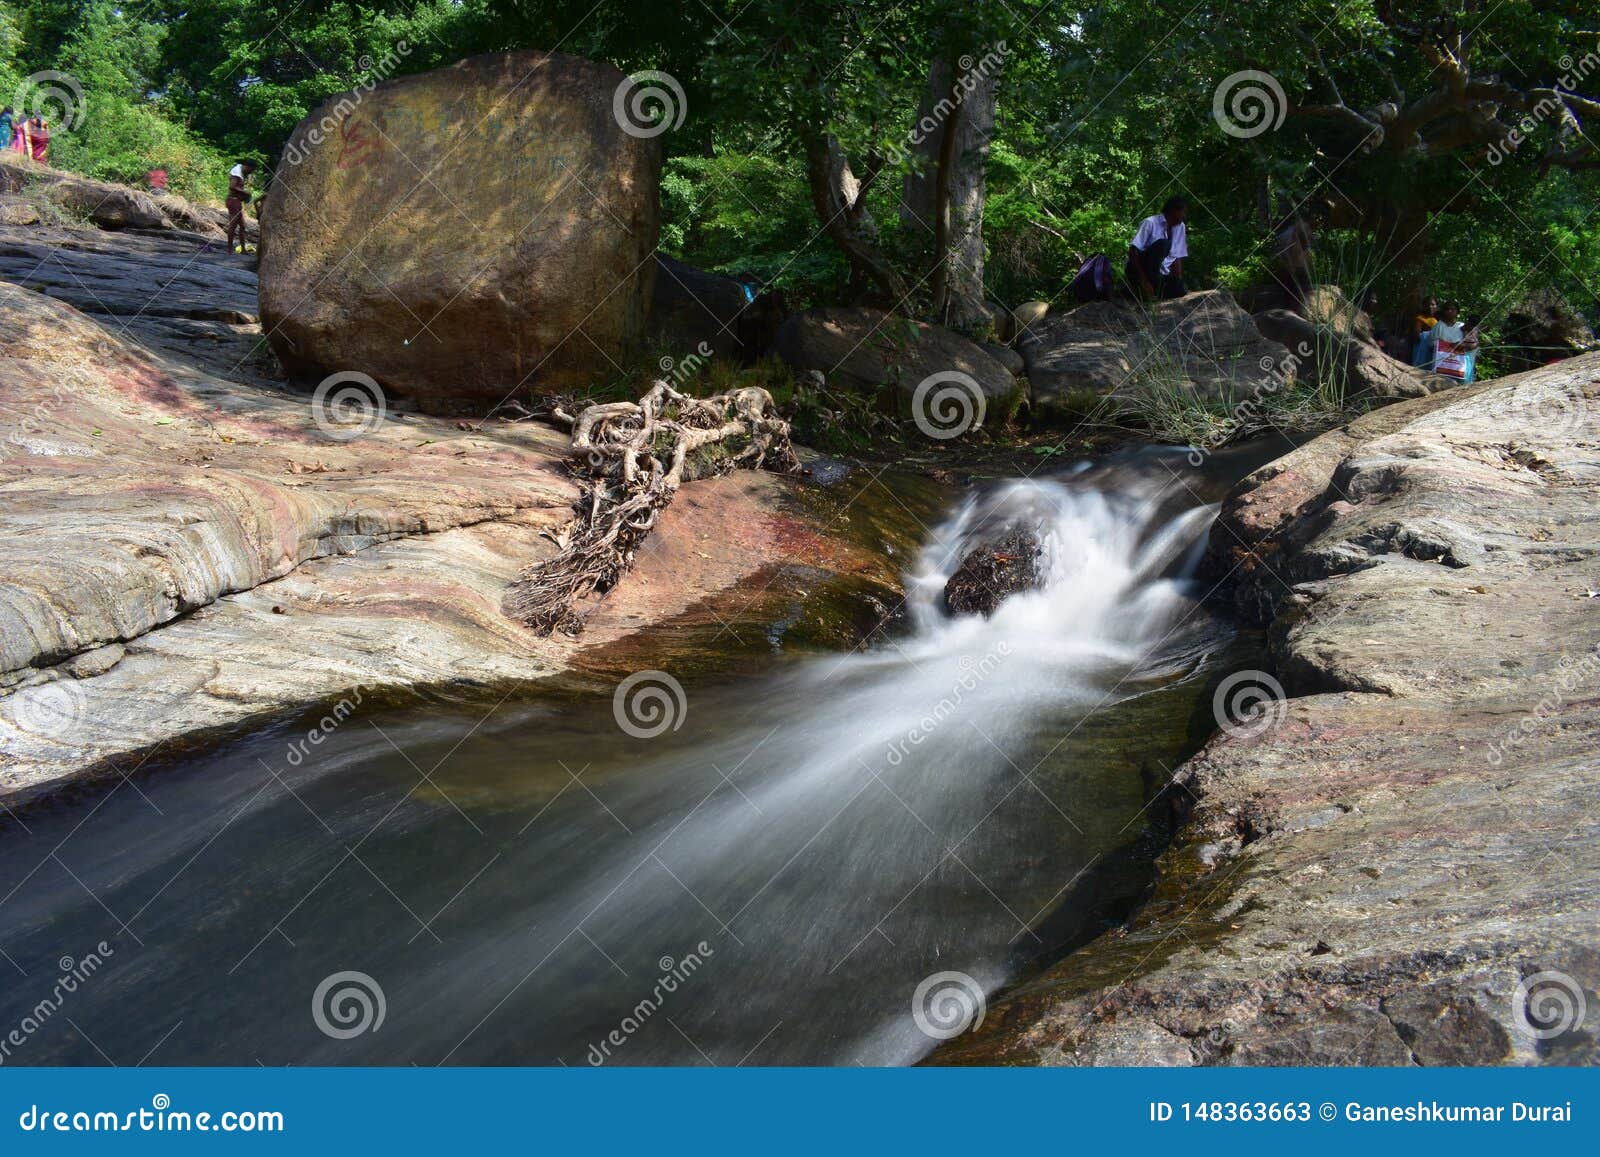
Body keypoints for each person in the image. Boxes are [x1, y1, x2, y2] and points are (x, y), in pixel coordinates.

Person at [1125, 196, 1189, 300]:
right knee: (1163, 244)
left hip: (1160, 273)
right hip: (1141, 271)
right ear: (1173, 210)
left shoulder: (1180, 226)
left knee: (1180, 290)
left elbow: (1176, 257)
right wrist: (1144, 281)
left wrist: (1178, 281)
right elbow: (1133, 252)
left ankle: (1149, 292)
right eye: (1183, 212)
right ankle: (1139, 287)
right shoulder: (1150, 223)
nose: (1184, 216)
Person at [1428, 301, 1480, 380]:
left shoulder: (1462, 326)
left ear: (1457, 312)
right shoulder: (1439, 325)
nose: (1449, 311)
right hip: (1441, 364)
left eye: (1453, 309)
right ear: (1443, 311)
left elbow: (1474, 343)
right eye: (1447, 309)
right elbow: (1431, 345)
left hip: (1458, 366)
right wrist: (1449, 346)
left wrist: (1463, 345)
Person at [226, 160, 256, 254]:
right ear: (247, 166)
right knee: (233, 225)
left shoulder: (241, 173)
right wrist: (245, 192)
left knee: (243, 226)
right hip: (233, 200)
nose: (250, 172)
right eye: (251, 170)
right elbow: (232, 186)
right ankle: (229, 250)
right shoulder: (236, 172)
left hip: (237, 201)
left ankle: (243, 249)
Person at [1410, 295, 1440, 367]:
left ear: (1437, 307)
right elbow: (1416, 336)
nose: (1430, 307)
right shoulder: (1420, 319)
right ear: (1423, 306)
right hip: (1422, 351)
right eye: (1427, 305)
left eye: (1432, 305)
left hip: (1434, 351)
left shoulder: (1438, 321)